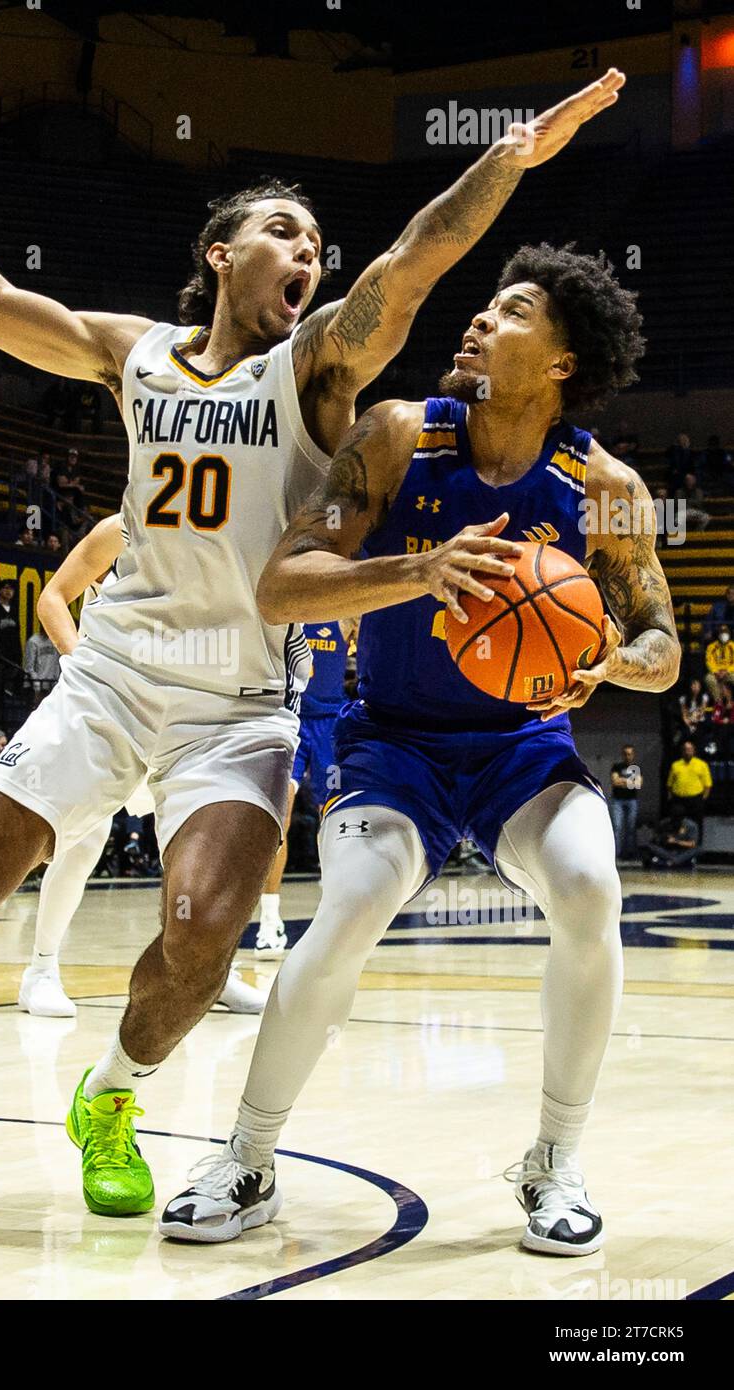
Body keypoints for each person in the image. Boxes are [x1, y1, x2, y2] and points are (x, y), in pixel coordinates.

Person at [0, 34, 625, 1222]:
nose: (309, 256)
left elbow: (414, 262)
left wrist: (512, 157)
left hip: (237, 705)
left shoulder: (318, 373)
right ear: (220, 254)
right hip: (112, 676)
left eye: (317, 246)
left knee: (207, 929)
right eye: (283, 233)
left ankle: (110, 1093)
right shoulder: (135, 353)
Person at [159, 239, 679, 1255]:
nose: (480, 318)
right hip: (392, 741)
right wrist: (418, 567)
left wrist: (609, 662)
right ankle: (249, 1157)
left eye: (514, 310)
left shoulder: (604, 487)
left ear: (562, 362)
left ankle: (553, 1161)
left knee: (587, 887)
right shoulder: (397, 436)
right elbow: (281, 585)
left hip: (522, 749)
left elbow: (661, 646)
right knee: (349, 908)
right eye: (485, 304)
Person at [21, 513, 264, 1019]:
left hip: (181, 710)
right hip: (109, 705)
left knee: (204, 847)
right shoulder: (123, 527)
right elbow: (51, 598)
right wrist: (79, 659)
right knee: (82, 843)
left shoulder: (216, 536)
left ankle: (209, 973)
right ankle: (41, 970)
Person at [254, 616, 356, 957]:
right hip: (290, 721)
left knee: (334, 821)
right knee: (276, 822)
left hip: (331, 727)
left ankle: (337, 915)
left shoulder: (345, 612)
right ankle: (269, 923)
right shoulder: (289, 608)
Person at [666, 741, 711, 844]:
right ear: (682, 751)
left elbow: (708, 785)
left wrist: (703, 799)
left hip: (695, 800)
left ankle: (696, 848)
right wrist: (670, 797)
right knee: (678, 824)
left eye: (690, 749)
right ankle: (678, 846)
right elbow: (669, 784)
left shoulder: (702, 764)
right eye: (685, 749)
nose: (687, 752)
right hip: (678, 800)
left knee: (697, 824)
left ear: (694, 751)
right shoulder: (675, 765)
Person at [608, 745, 642, 862]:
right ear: (623, 755)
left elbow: (638, 784)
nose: (628, 756)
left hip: (631, 800)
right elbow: (615, 782)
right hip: (618, 801)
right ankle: (616, 854)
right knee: (617, 827)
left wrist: (622, 780)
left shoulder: (636, 767)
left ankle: (629, 854)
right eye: (626, 754)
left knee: (631, 828)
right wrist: (629, 781)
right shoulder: (617, 766)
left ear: (633, 755)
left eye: (630, 754)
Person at [22, 621, 60, 705]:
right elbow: (29, 667)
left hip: (51, 684)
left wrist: (56, 682)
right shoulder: (33, 641)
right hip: (37, 686)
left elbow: (56, 664)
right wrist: (37, 686)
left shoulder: (54, 641)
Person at [704, 626, 734, 702]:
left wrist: (727, 671)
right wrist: (715, 671)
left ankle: (731, 701)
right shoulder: (712, 646)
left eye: (725, 633)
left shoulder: (732, 646)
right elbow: (708, 661)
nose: (724, 635)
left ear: (729, 634)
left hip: (729, 672)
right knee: (709, 679)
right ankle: (718, 701)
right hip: (716, 672)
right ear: (718, 634)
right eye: (722, 633)